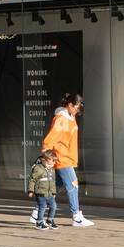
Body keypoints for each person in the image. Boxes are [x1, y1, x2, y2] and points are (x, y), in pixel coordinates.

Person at [35, 92, 93, 227]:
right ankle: (76, 216)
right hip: (62, 157)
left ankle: (37, 212)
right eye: (77, 107)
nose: (78, 110)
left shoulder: (70, 116)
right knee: (73, 185)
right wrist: (46, 152)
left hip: (67, 156)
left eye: (79, 107)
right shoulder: (61, 118)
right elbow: (51, 137)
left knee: (56, 187)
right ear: (70, 105)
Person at [27, 149, 59, 231]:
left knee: (54, 206)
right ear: (43, 160)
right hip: (40, 193)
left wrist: (54, 192)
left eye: (52, 165)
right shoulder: (38, 169)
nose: (50, 166)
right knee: (42, 208)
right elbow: (32, 180)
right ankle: (39, 222)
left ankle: (50, 220)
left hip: (50, 194)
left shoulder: (52, 170)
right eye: (48, 164)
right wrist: (31, 190)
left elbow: (52, 182)